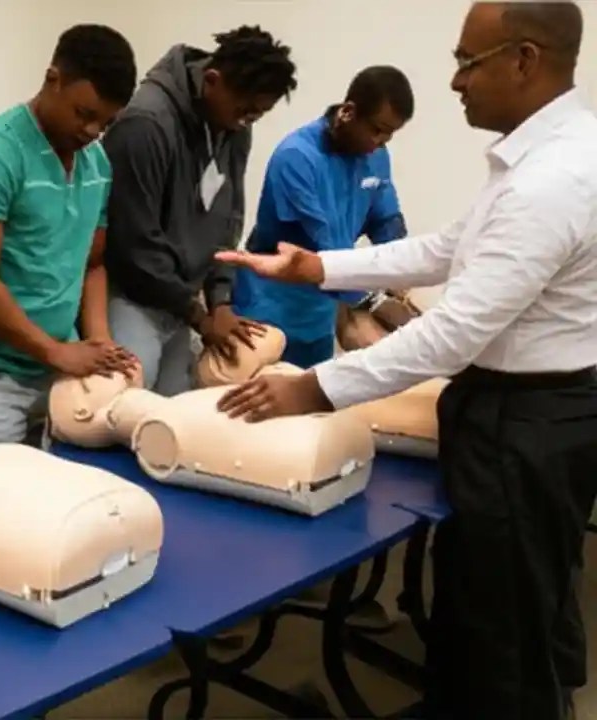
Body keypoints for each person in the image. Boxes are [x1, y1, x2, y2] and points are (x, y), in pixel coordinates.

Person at [216, 3, 596, 718]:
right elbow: (443, 248)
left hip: (526, 421)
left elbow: (453, 332)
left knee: (505, 624)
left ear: (524, 60)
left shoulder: (553, 180)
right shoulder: (542, 158)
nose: (456, 82)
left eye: (467, 62)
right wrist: (320, 268)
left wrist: (317, 389)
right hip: (530, 411)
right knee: (510, 599)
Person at [0, 24, 139, 459]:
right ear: (53, 79)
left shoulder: (96, 162)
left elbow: (92, 263)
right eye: (84, 113)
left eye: (106, 122)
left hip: (54, 373)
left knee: (39, 516)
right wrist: (54, 350)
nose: (93, 130)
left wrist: (98, 341)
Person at [103, 26, 297, 396]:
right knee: (120, 406)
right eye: (244, 111)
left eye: (257, 115)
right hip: (132, 295)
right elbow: (132, 243)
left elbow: (229, 218)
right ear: (212, 80)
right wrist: (199, 316)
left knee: (175, 416)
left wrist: (220, 301)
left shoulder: (233, 125)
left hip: (182, 304)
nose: (247, 122)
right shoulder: (146, 125)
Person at [233, 66, 415, 367]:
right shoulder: (296, 157)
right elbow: (322, 245)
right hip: (268, 310)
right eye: (377, 129)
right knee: (254, 405)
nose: (381, 142)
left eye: (390, 134)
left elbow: (386, 220)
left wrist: (402, 272)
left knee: (310, 410)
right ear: (348, 112)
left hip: (319, 317)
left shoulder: (377, 156)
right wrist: (376, 301)